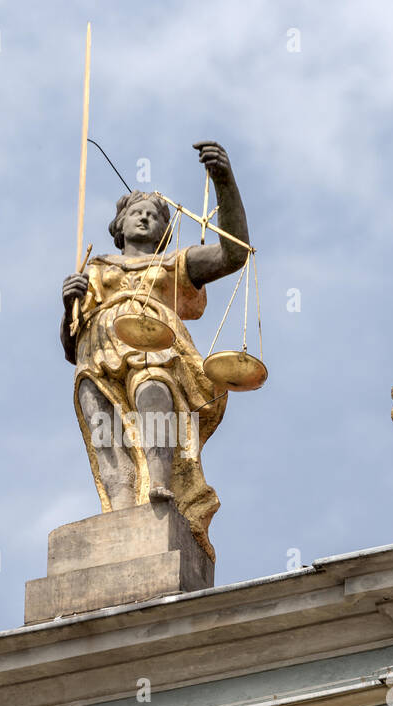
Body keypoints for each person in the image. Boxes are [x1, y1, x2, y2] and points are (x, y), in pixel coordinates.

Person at [59, 141, 251, 559]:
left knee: (155, 393)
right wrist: (67, 303)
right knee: (103, 428)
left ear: (165, 231)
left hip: (153, 345)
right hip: (96, 355)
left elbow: (234, 253)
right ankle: (121, 505)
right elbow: (70, 342)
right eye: (136, 212)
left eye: (155, 215)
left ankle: (159, 482)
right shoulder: (97, 268)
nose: (144, 216)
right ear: (120, 224)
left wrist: (224, 181)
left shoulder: (173, 266)